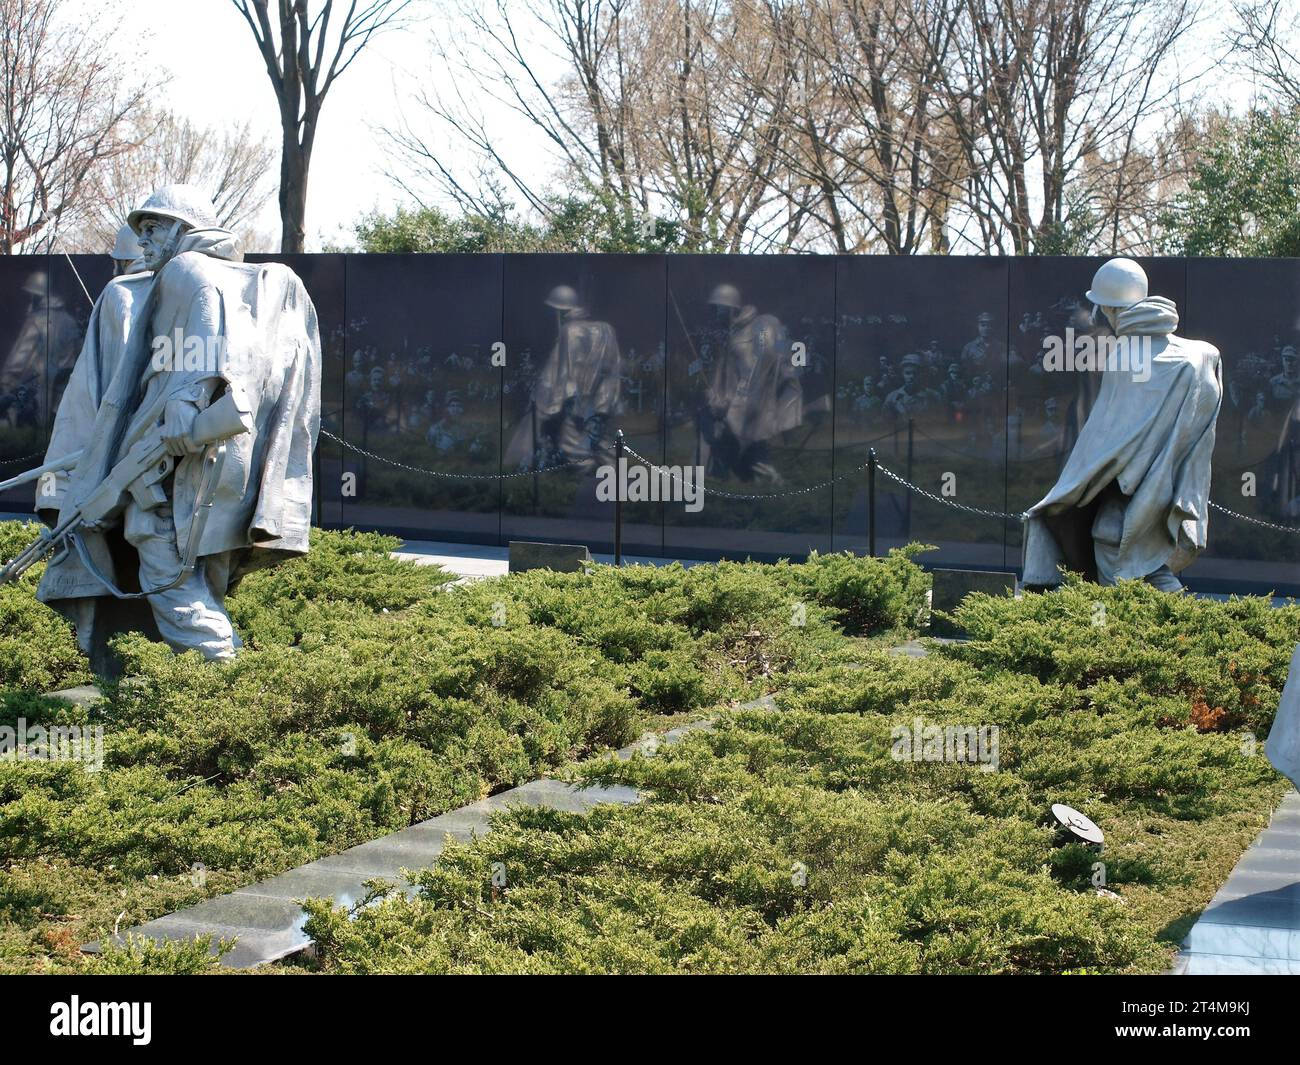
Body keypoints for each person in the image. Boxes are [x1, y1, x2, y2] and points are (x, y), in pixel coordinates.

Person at [35, 183, 320, 664]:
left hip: (174, 470)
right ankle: (186, 691)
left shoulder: (187, 272)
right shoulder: (259, 283)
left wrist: (185, 405)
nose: (142, 242)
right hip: (221, 475)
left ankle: (225, 691)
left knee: (171, 581)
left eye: (153, 229)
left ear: (184, 228)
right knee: (198, 581)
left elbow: (199, 355)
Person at [1022, 257, 1221, 592]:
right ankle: (1180, 630)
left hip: (1127, 497)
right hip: (1168, 493)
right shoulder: (1201, 355)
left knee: (1112, 553)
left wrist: (1069, 488)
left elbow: (1108, 437)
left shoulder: (1126, 354)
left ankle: (1108, 635)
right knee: (1146, 565)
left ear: (1110, 309)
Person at [505, 284, 622, 470]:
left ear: (561, 311)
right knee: (605, 448)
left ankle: (584, 492)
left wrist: (542, 404)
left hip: (575, 404)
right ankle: (611, 486)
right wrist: (606, 404)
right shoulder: (607, 331)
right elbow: (613, 369)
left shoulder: (569, 332)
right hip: (601, 403)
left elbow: (554, 374)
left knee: (577, 451)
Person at [700, 283, 801, 482]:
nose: (715, 313)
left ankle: (769, 478)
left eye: (719, 308)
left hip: (749, 407)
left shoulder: (751, 332)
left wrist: (729, 405)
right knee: (747, 452)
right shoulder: (738, 333)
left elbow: (752, 374)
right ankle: (731, 475)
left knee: (746, 448)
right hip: (745, 406)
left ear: (730, 308)